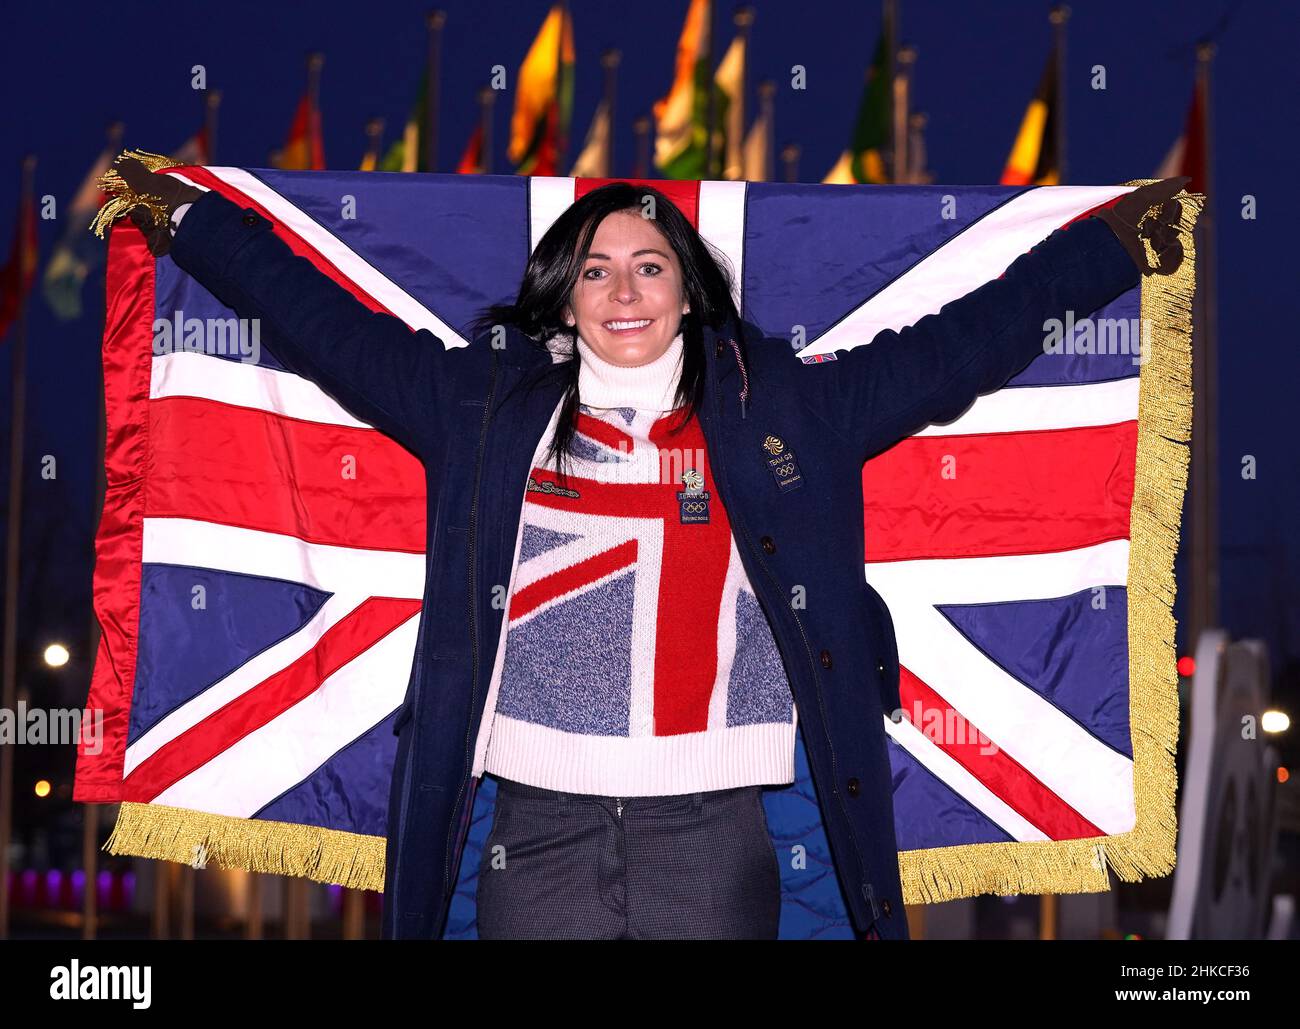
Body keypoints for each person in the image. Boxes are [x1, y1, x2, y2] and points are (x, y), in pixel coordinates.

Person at [106, 153, 1187, 939]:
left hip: (716, 834)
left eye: (649, 266)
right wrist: (189, 226)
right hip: (527, 829)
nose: (623, 290)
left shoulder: (787, 412)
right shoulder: (479, 408)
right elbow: (321, 322)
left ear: (688, 289)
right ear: (563, 299)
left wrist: (1105, 248)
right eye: (594, 269)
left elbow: (967, 343)